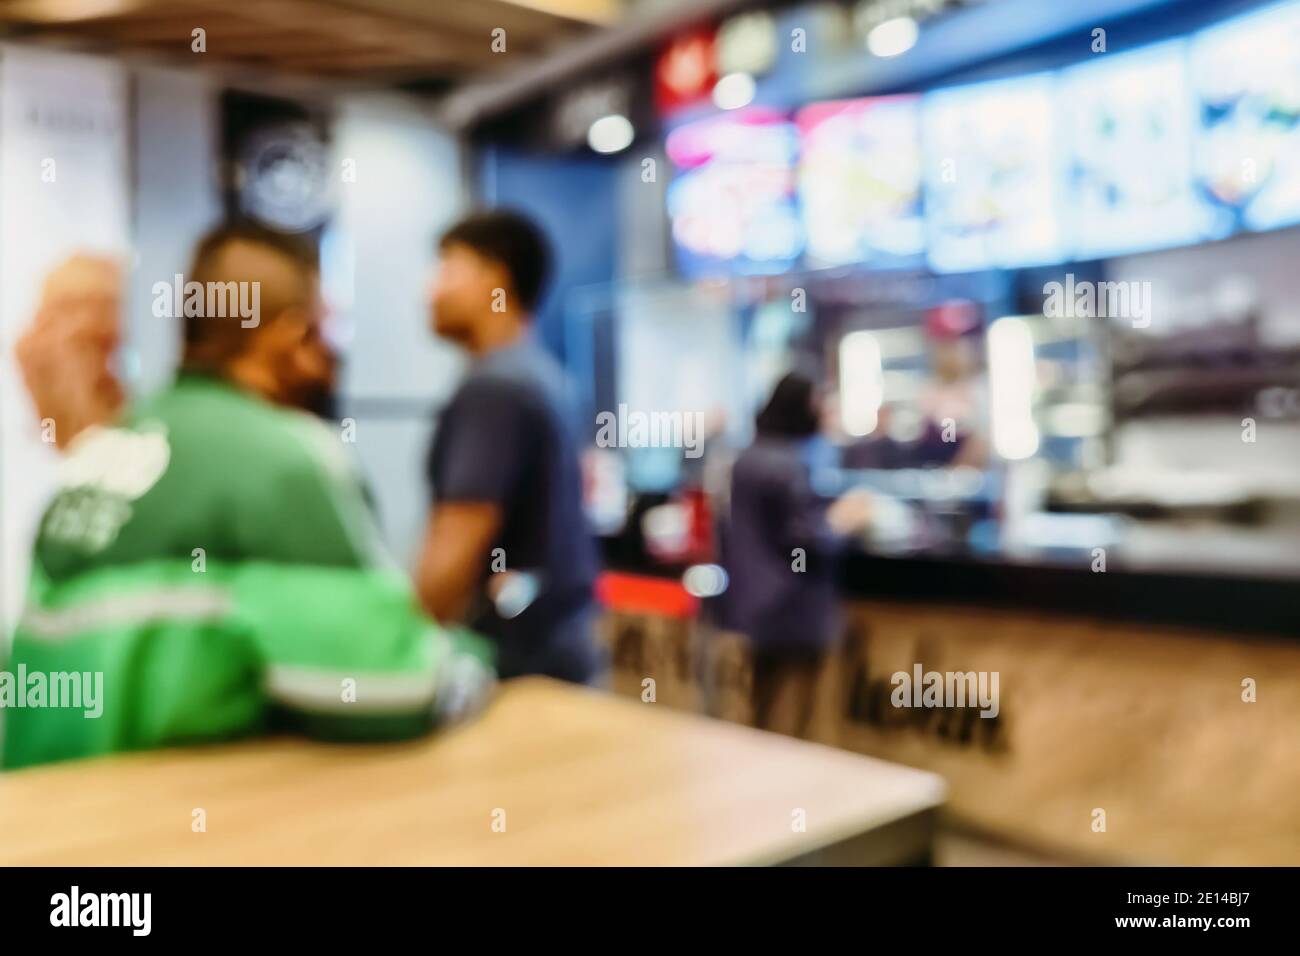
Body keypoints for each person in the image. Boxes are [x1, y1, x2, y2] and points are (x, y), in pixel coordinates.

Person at [2, 224, 492, 770]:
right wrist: (471, 658)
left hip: (47, 822)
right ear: (286, 337)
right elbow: (386, 691)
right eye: (323, 331)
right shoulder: (283, 457)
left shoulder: (102, 451)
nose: (332, 355)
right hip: (167, 833)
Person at [416, 210, 604, 684]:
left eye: (446, 269)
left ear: (493, 277)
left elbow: (458, 541)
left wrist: (395, 646)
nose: (430, 291)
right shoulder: (544, 376)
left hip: (515, 667)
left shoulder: (494, 387)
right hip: (561, 653)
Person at [725, 371, 871, 738]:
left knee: (763, 707)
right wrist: (842, 522)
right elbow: (806, 542)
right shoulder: (789, 464)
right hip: (795, 605)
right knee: (801, 714)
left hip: (755, 602)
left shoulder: (749, 457)